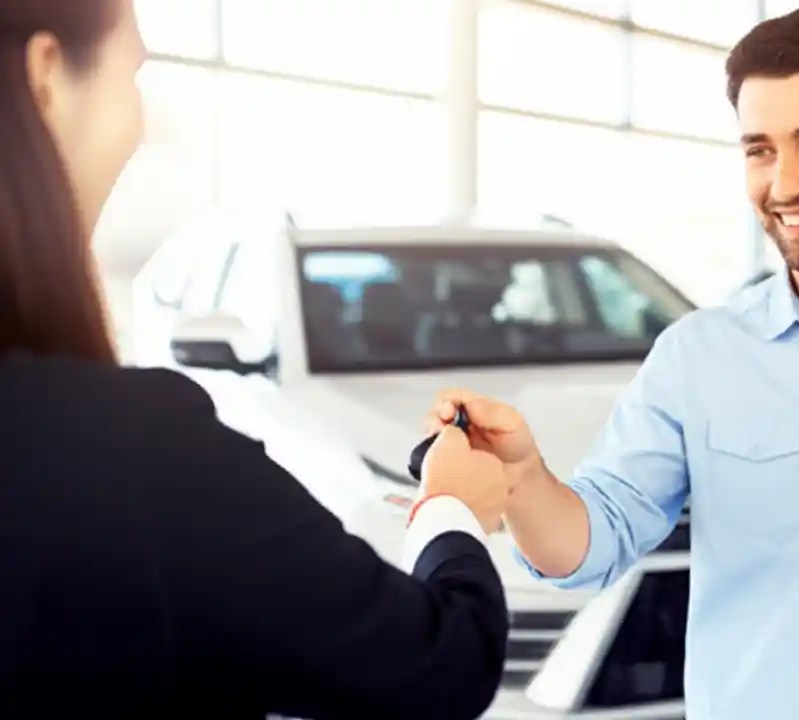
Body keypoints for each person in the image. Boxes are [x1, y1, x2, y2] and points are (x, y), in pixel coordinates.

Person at [428, 2, 799, 718]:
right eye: (760, 149)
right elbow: (590, 543)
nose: (784, 184)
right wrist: (525, 477)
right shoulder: (699, 356)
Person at [0, 2, 510, 718]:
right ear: (47, 74)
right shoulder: (124, 451)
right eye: (135, 73)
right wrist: (449, 508)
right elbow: (442, 663)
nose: (142, 121)